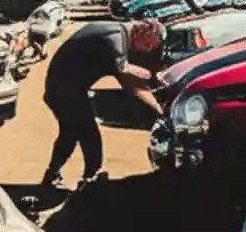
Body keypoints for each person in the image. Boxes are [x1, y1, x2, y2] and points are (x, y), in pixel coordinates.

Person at [40, 19, 165, 191]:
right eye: (148, 45)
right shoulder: (114, 37)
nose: (147, 50)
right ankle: (91, 178)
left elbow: (129, 83)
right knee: (88, 134)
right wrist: (145, 76)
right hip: (64, 89)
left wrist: (157, 106)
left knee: (70, 132)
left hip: (63, 87)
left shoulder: (115, 35)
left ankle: (52, 175)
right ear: (141, 33)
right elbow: (124, 72)